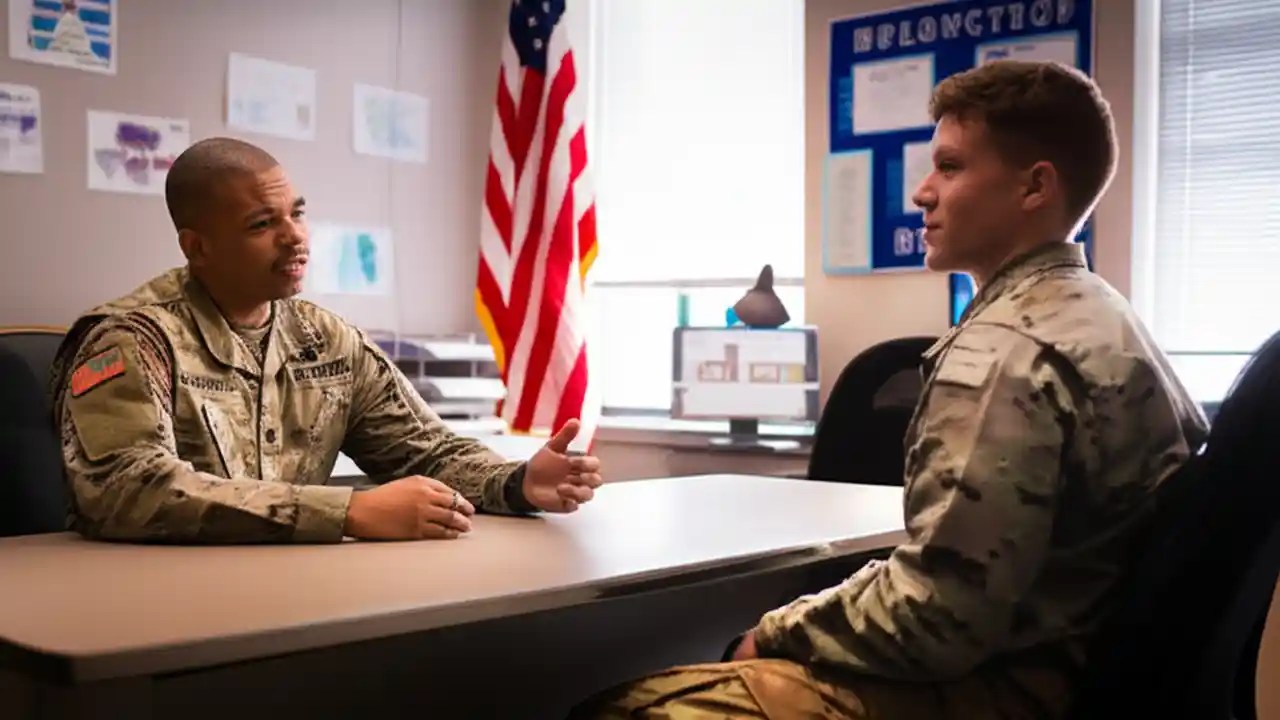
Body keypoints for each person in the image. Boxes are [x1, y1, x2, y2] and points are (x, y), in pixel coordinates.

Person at [572, 60, 1208, 718]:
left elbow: (937, 615)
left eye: (951, 167)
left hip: (1010, 688)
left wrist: (770, 634)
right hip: (1085, 670)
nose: (922, 192)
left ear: (1034, 187)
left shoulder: (1005, 350)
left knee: (634, 706)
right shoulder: (1108, 317)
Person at [49, 137, 604, 543]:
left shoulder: (325, 339)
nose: (295, 237)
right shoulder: (131, 339)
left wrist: (517, 481)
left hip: (296, 587)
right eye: (261, 224)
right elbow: (127, 488)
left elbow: (425, 450)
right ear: (198, 247)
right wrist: (348, 512)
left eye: (297, 214)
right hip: (157, 597)